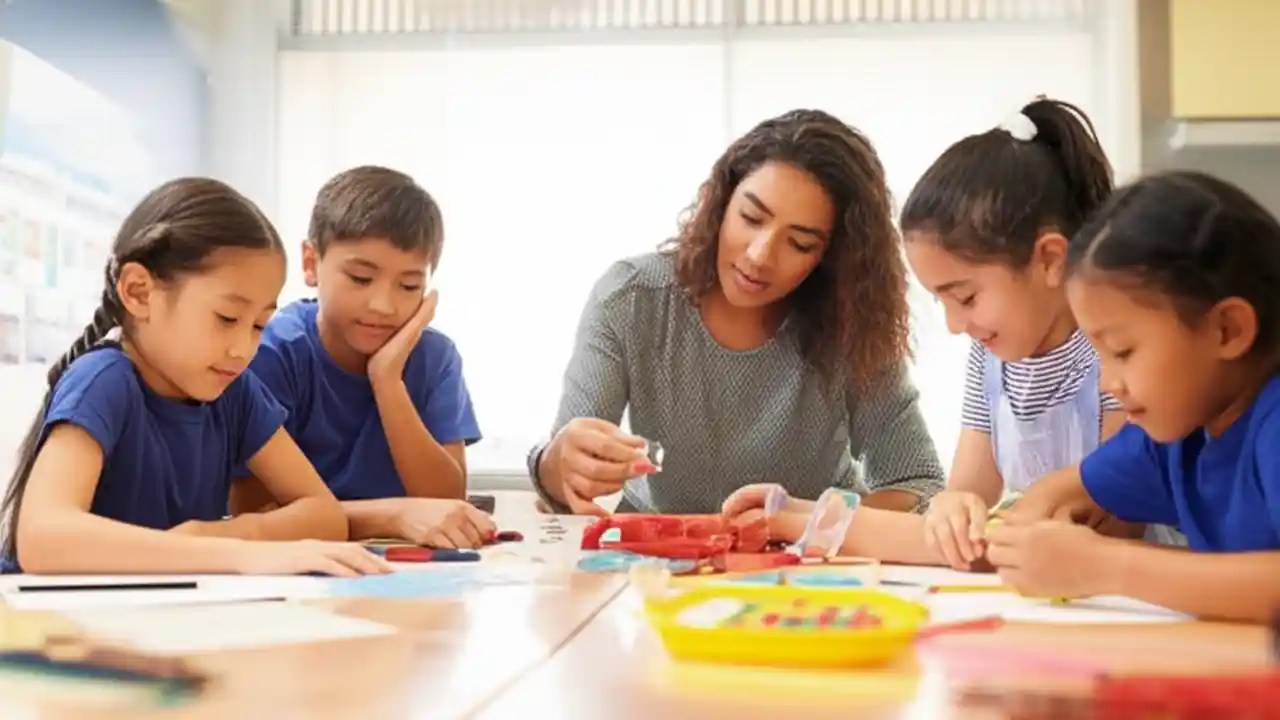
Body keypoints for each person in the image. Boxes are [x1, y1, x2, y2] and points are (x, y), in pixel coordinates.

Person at [530, 109, 944, 517]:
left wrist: (814, 529)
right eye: (751, 217)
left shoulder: (852, 320)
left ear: (832, 257)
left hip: (806, 567)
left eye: (799, 244)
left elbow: (917, 481)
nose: (760, 256)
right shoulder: (631, 298)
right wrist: (558, 464)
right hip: (657, 560)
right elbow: (569, 481)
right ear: (721, 202)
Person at [1, 178, 389, 576]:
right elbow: (43, 538)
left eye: (259, 325)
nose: (243, 348)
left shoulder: (235, 392)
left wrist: (220, 536)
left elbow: (323, 514)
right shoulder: (103, 380)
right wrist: (238, 555)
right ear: (139, 293)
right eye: (226, 318)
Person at [989, 171, 1280, 622]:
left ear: (1228, 330)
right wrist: (1030, 534)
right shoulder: (1177, 435)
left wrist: (1104, 566)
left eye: (1123, 351)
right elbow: (1060, 491)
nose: (1108, 382)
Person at [898, 97, 1135, 569]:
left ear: (1049, 259)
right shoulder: (992, 359)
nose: (954, 325)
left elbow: (1118, 515)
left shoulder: (1115, 353)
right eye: (940, 301)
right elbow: (969, 491)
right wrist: (951, 509)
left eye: (965, 298)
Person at [230, 166, 493, 549]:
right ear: (310, 263)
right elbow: (252, 512)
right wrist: (391, 515)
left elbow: (446, 499)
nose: (383, 306)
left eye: (409, 285)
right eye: (360, 278)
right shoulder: (272, 352)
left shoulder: (435, 357)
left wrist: (387, 381)